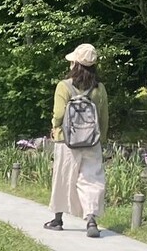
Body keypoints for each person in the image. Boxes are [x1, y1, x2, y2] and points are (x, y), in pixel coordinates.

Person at [44, 43, 109, 238]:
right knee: (91, 179)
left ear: (76, 64)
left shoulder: (64, 86)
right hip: (92, 141)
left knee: (63, 178)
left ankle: (57, 219)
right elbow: (104, 116)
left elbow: (58, 114)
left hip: (67, 140)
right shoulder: (99, 88)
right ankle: (91, 219)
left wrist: (55, 126)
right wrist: (101, 139)